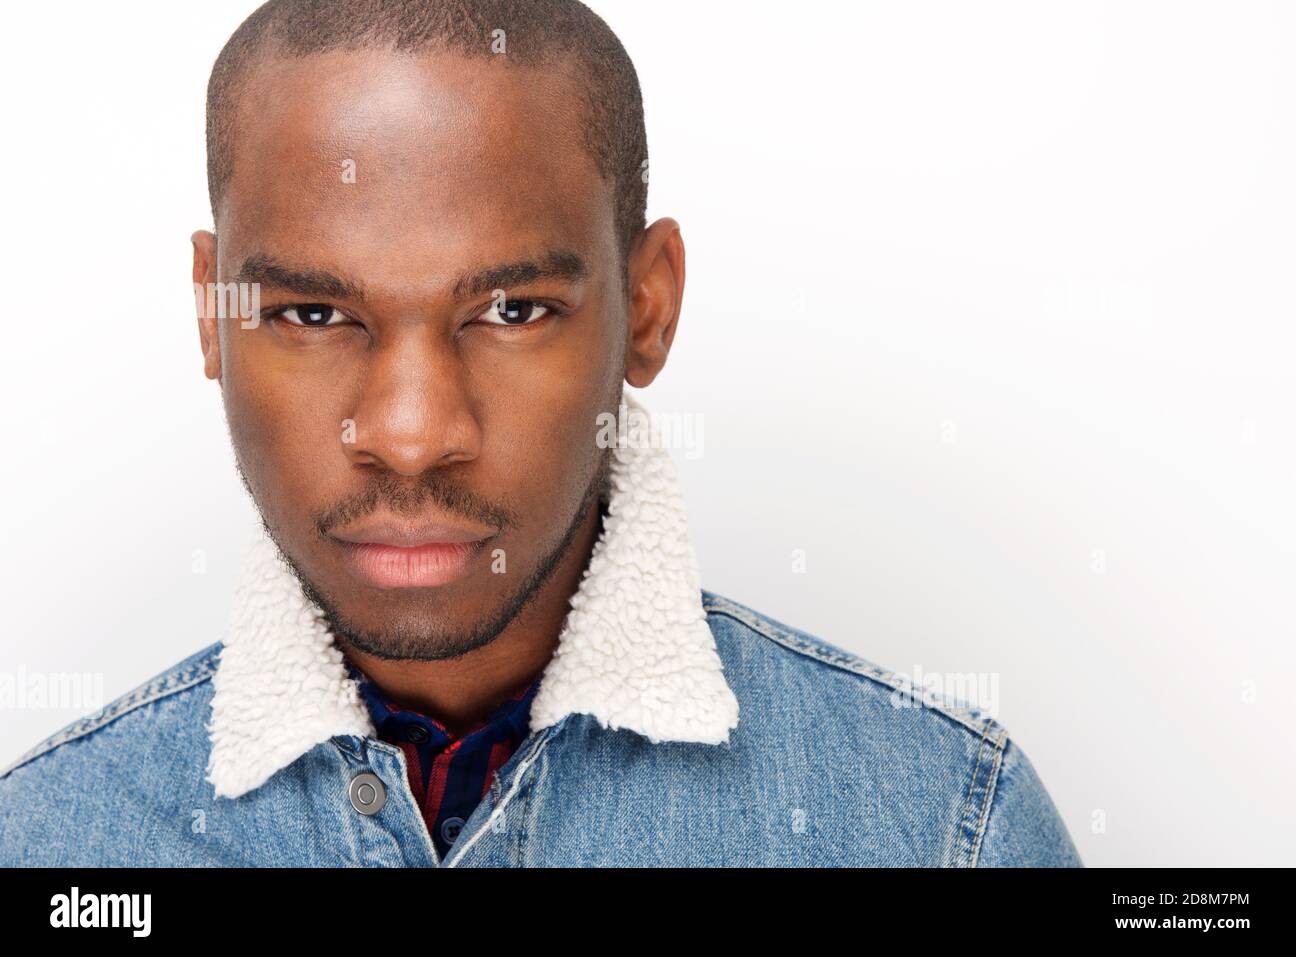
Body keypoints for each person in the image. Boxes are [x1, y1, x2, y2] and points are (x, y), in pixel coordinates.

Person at [0, 0, 1081, 867]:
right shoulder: (46, 846)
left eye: (511, 311)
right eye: (315, 315)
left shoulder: (944, 828)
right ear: (213, 317)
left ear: (645, 311)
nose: (413, 436)